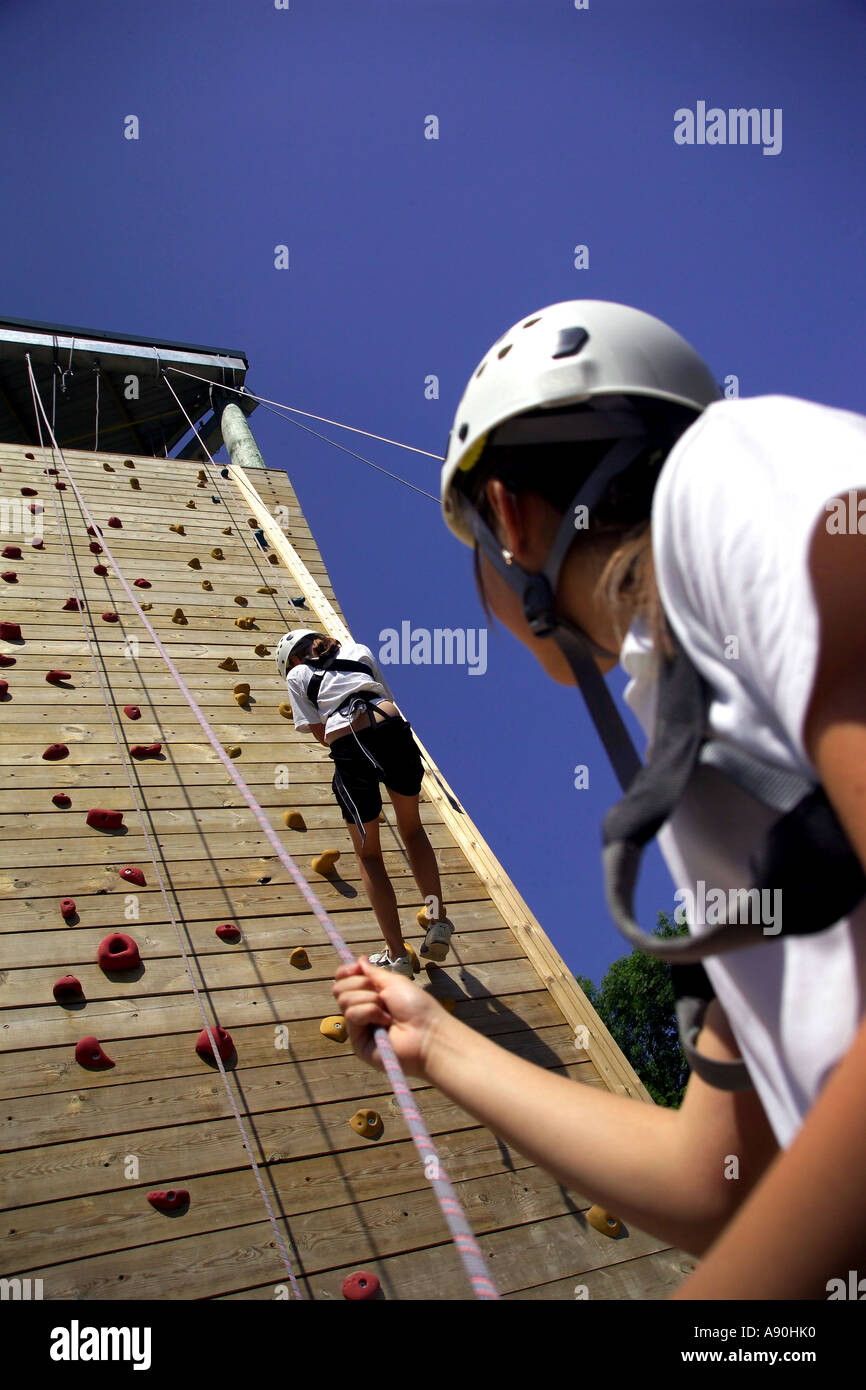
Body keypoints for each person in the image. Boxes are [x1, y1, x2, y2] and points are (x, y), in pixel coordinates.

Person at [332, 299, 866, 1299]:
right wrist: (432, 1037)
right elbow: (713, 1181)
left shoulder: (728, 475)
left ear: (507, 515)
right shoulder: (707, 764)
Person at [275, 628, 454, 976]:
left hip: (351, 742)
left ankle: (396, 954)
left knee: (369, 853)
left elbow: (319, 732)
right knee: (413, 830)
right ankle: (438, 922)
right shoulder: (359, 650)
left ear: (293, 660)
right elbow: (385, 696)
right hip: (392, 729)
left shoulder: (297, 674)